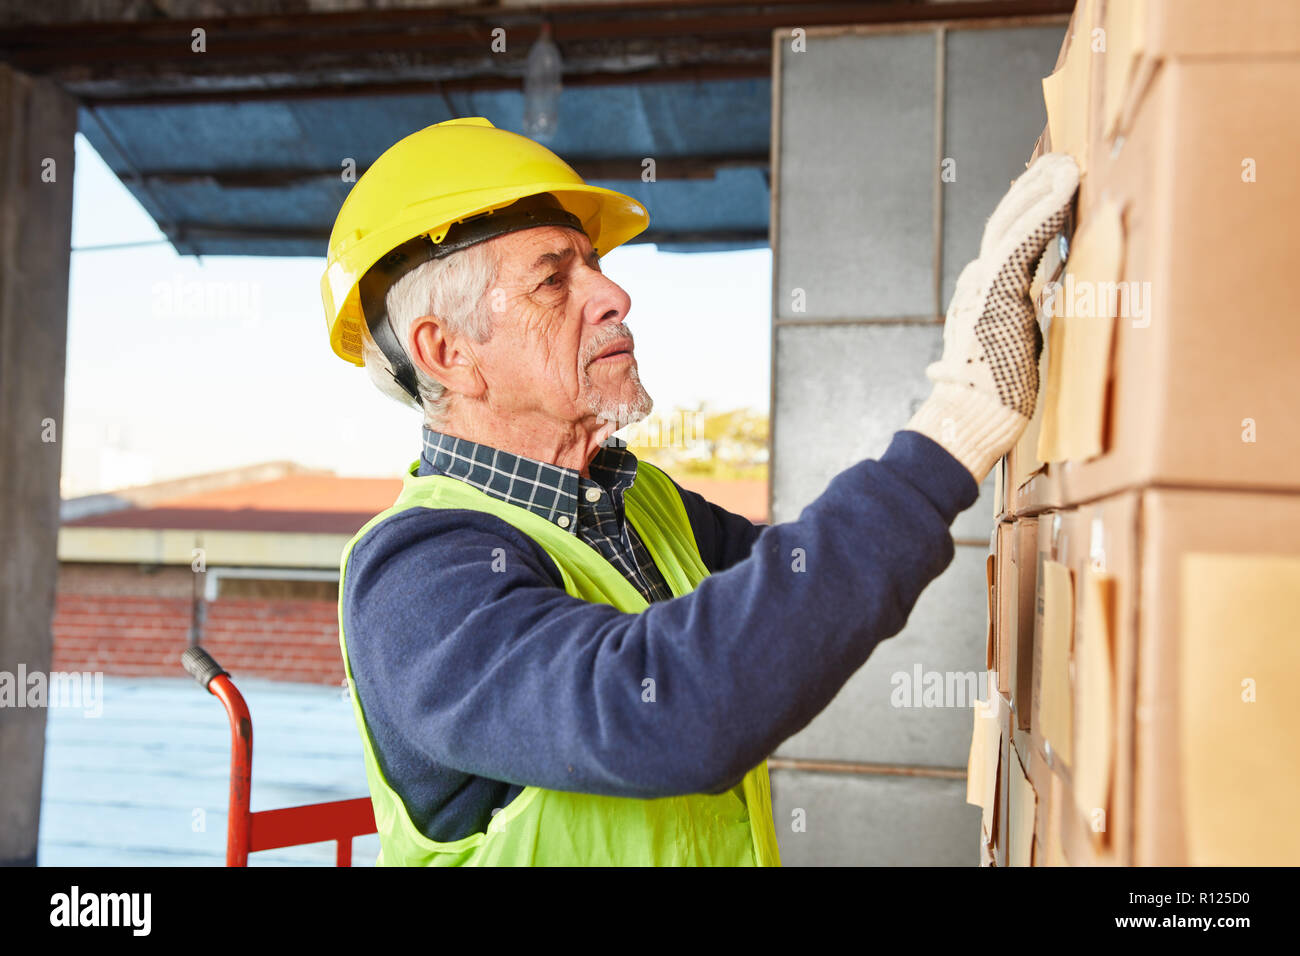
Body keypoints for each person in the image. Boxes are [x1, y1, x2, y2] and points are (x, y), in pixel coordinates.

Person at [320, 116, 1078, 865]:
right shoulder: (417, 577)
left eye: (595, 264)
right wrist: (955, 424)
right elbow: (666, 710)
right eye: (555, 279)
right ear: (447, 351)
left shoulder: (638, 500)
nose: (614, 293)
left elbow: (793, 597)